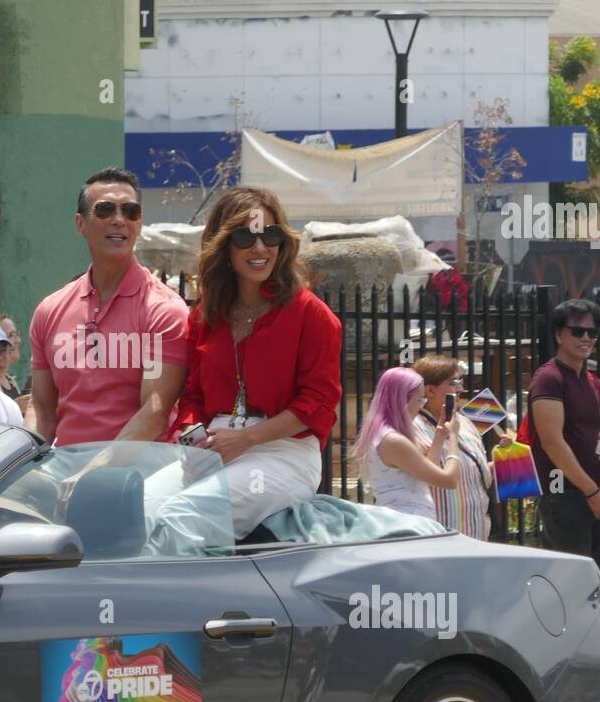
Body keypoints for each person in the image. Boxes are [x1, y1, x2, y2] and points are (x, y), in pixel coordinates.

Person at [171, 186, 341, 537]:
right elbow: (192, 398)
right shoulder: (204, 316)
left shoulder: (312, 314)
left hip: (283, 452)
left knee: (185, 515)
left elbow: (319, 404)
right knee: (137, 506)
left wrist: (246, 439)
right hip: (214, 448)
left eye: (271, 236)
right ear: (223, 246)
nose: (260, 247)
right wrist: (193, 440)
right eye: (245, 236)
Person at [26, 167, 188, 445]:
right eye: (105, 210)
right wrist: (23, 463)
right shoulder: (48, 311)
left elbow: (155, 412)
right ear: (80, 224)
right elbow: (41, 408)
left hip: (142, 474)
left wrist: (96, 471)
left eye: (130, 211)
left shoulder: (166, 311)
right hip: (64, 471)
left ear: (139, 224)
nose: (119, 220)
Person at [528, 299, 600, 570]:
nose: (586, 338)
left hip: (596, 493)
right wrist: (592, 493)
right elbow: (552, 443)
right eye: (577, 331)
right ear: (558, 334)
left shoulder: (592, 381)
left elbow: (589, 432)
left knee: (593, 585)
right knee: (570, 588)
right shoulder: (549, 377)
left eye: (592, 332)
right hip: (566, 494)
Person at [355, 366, 460, 522]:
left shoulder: (382, 435)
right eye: (420, 399)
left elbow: (426, 475)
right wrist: (453, 438)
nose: (421, 406)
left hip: (401, 521)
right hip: (409, 523)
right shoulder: (393, 441)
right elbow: (449, 480)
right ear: (403, 399)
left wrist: (439, 436)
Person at [411, 355, 493, 540]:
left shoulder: (465, 423)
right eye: (453, 382)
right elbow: (421, 480)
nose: (461, 389)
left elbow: (477, 477)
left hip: (476, 535)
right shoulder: (413, 427)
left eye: (460, 381)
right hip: (438, 539)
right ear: (430, 390)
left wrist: (502, 461)